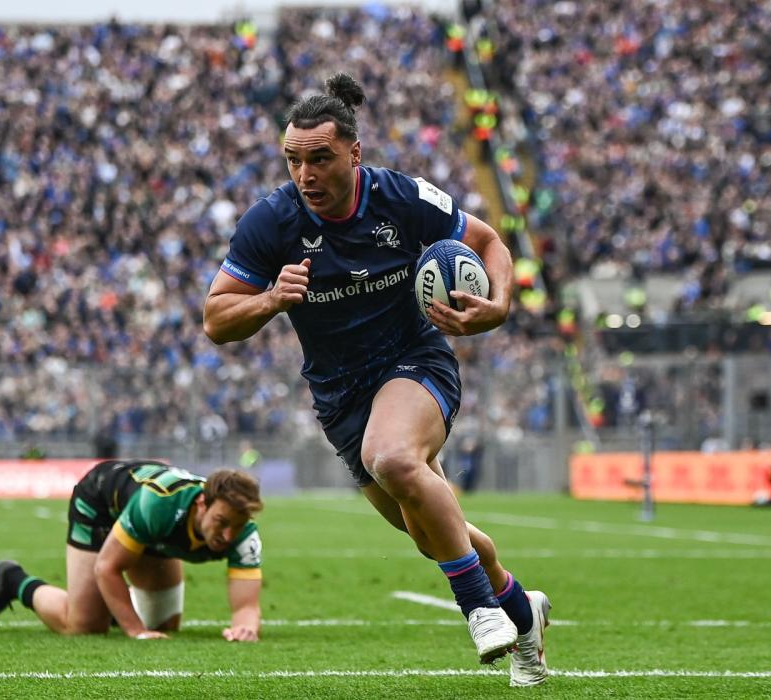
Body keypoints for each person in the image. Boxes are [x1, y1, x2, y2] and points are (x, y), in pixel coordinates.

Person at [203, 72, 549, 686]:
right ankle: (525, 615)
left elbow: (489, 241)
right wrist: (268, 302)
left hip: (414, 363)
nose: (304, 174)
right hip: (340, 396)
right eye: (293, 160)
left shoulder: (402, 198)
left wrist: (497, 306)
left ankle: (477, 610)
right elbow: (215, 319)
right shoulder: (271, 223)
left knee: (392, 457)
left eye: (319, 158)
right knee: (432, 533)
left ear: (354, 154)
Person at [0, 461, 264, 642]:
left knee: (164, 625)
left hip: (149, 529)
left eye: (237, 526)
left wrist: (244, 629)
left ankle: (110, 605)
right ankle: (13, 580)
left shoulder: (244, 536)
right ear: (202, 504)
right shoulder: (159, 505)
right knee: (84, 624)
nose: (228, 536)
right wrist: (135, 630)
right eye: (221, 523)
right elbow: (107, 567)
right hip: (100, 504)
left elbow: (246, 607)